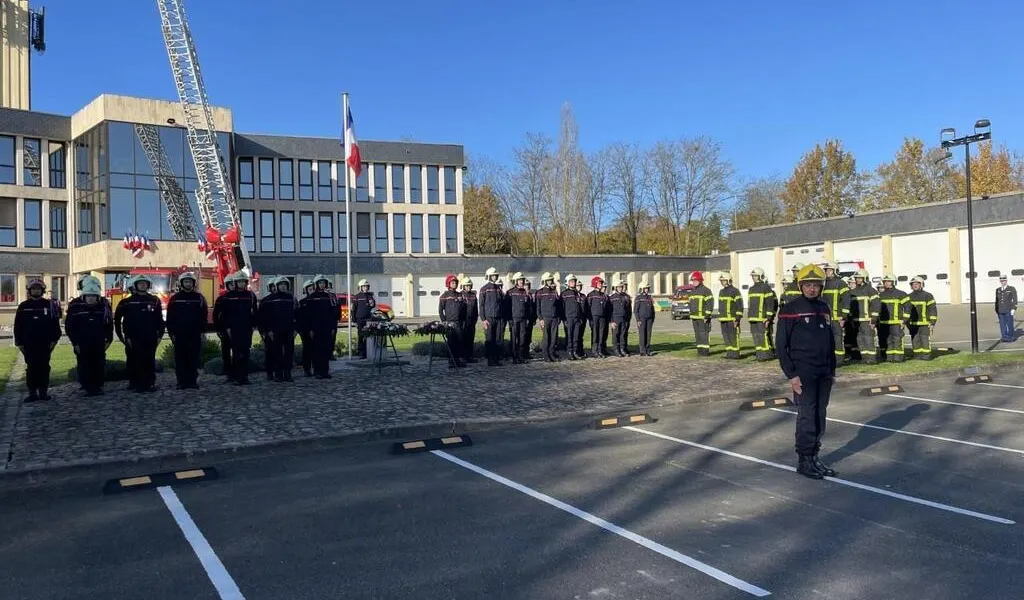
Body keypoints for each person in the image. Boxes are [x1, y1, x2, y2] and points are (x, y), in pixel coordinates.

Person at [776, 265, 837, 480]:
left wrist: (832, 370)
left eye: (816, 285)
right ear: (800, 286)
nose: (812, 289)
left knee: (820, 415)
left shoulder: (824, 307)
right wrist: (791, 375)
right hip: (803, 372)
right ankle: (804, 460)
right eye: (808, 285)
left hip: (824, 371)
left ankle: (815, 456)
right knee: (807, 417)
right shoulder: (790, 309)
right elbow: (781, 345)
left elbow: (829, 341)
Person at [13, 278, 63, 402]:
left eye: (38, 289)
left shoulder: (49, 305)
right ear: (30, 291)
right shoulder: (23, 306)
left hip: (45, 343)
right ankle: (32, 393)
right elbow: (17, 326)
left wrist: (54, 340)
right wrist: (19, 343)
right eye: (33, 289)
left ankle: (43, 392)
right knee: (31, 368)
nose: (36, 291)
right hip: (29, 343)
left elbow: (55, 324)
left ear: (42, 290)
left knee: (44, 367)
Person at [114, 274, 165, 393]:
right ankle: (135, 383)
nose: (143, 285)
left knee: (149, 361)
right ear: (135, 285)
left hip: (150, 336)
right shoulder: (126, 302)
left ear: (148, 285)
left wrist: (160, 335)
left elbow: (159, 319)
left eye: (145, 283)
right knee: (133, 361)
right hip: (133, 337)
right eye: (140, 283)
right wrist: (122, 336)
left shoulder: (154, 300)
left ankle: (150, 383)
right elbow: (117, 319)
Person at [64, 280, 113, 396]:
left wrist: (109, 340)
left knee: (99, 364)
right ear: (84, 296)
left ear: (97, 297)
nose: (91, 298)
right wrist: (75, 343)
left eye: (93, 296)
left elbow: (109, 325)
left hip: (99, 342)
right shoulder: (76, 308)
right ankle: (87, 387)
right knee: (84, 365)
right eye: (88, 296)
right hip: (82, 343)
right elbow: (69, 327)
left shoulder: (104, 308)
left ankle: (98, 387)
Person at [213, 271, 259, 384]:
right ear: (235, 282)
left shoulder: (250, 295)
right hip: (233, 329)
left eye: (243, 281)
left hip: (247, 328)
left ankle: (245, 376)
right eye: (239, 281)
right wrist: (226, 327)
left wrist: (253, 325)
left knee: (246, 352)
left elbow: (254, 312)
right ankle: (237, 377)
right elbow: (225, 314)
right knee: (236, 353)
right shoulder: (228, 297)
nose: (241, 284)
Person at [166, 272, 208, 389]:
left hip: (194, 334)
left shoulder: (199, 298)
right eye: (186, 281)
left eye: (190, 281)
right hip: (180, 334)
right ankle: (181, 382)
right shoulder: (175, 299)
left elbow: (204, 315)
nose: (188, 283)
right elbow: (170, 317)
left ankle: (192, 381)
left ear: (193, 283)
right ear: (181, 283)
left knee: (193, 358)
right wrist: (171, 333)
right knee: (180, 359)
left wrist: (202, 331)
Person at [258, 276, 297, 381]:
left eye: (285, 284)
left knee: (289, 352)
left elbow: (297, 315)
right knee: (277, 353)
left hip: (289, 330)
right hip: (275, 330)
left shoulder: (291, 298)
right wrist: (268, 330)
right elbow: (266, 317)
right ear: (276, 286)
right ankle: (278, 374)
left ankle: (288, 373)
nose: (283, 286)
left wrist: (295, 329)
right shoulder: (270, 300)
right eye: (281, 285)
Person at [300, 274, 338, 379]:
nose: (322, 285)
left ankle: (325, 371)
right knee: (317, 350)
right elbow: (308, 315)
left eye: (324, 283)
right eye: (320, 283)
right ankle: (317, 371)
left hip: (326, 327)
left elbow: (332, 313)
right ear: (316, 284)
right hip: (316, 328)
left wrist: (332, 327)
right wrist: (311, 329)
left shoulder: (329, 296)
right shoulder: (312, 297)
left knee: (326, 350)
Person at [821, 262, 852, 362]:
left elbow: (846, 300)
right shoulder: (823, 284)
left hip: (837, 318)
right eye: (826, 270)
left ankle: (839, 360)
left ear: (835, 271)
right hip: (825, 318)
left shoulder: (841, 283)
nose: (827, 272)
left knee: (837, 339)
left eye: (829, 270)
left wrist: (844, 316)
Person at [847, 269, 880, 363]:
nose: (857, 280)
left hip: (867, 320)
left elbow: (876, 305)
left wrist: (874, 319)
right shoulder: (853, 292)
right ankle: (864, 358)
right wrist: (850, 318)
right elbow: (850, 307)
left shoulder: (871, 290)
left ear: (865, 278)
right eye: (856, 278)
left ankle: (872, 359)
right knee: (860, 339)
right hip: (856, 320)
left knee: (868, 339)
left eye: (860, 278)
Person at [747, 267, 778, 361]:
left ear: (761, 276)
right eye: (752, 276)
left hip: (762, 318)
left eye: (755, 276)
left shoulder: (765, 287)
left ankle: (767, 355)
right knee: (756, 336)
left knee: (763, 336)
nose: (753, 277)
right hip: (753, 318)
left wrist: (768, 318)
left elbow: (770, 303)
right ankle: (759, 355)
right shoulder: (751, 289)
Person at [877, 274, 909, 362]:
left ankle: (898, 359)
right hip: (884, 323)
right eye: (885, 282)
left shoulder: (901, 294)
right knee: (888, 341)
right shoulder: (880, 295)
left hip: (897, 323)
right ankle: (890, 358)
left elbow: (907, 307)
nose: (886, 283)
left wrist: (904, 320)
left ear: (893, 282)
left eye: (889, 281)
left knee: (897, 340)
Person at [478, 267, 504, 366]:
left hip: (498, 317)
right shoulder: (484, 289)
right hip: (488, 318)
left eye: (495, 275)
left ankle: (496, 359)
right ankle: (490, 360)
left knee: (498, 339)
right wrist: (483, 319)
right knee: (489, 339)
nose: (494, 277)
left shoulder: (498, 289)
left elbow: (501, 303)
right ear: (488, 276)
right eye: (493, 275)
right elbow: (481, 305)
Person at [439, 273, 466, 368]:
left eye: (455, 283)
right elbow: (440, 310)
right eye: (453, 283)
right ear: (448, 284)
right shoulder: (444, 296)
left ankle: (458, 360)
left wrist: (463, 321)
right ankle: (451, 361)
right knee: (451, 342)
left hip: (458, 323)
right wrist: (444, 322)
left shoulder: (460, 295)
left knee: (459, 341)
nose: (454, 284)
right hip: (449, 323)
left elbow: (463, 309)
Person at [906, 276, 937, 359]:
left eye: (917, 284)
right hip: (913, 324)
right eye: (913, 284)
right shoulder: (908, 297)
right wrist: (906, 322)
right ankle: (917, 356)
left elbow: (932, 309)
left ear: (922, 285)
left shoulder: (928, 296)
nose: (915, 285)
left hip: (925, 324)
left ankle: (926, 356)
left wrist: (932, 322)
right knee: (915, 340)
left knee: (925, 340)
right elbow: (905, 311)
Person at [534, 272, 562, 362]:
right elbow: (537, 307)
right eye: (548, 280)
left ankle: (552, 353)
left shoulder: (554, 292)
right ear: (545, 281)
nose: (550, 282)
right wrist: (540, 319)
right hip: (545, 318)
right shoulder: (540, 292)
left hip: (554, 317)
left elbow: (558, 305)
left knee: (554, 338)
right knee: (546, 337)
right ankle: (546, 355)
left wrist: (558, 317)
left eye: (551, 280)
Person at [687, 271, 714, 356]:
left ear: (700, 280)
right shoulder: (692, 291)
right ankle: (700, 351)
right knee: (697, 335)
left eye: (695, 280)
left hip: (703, 317)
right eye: (693, 281)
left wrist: (707, 315)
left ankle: (705, 352)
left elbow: (710, 303)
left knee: (703, 334)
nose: (694, 282)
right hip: (694, 317)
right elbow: (690, 303)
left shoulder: (706, 291)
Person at [716, 272, 743, 359]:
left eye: (723, 280)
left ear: (728, 280)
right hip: (723, 319)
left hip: (732, 319)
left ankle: (735, 354)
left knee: (733, 336)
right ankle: (729, 353)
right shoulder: (721, 292)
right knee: (726, 336)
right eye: (721, 281)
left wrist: (737, 319)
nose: (722, 282)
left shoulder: (735, 291)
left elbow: (740, 306)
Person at [560, 274, 587, 360]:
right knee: (569, 337)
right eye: (571, 281)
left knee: (576, 337)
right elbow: (561, 308)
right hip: (569, 318)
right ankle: (569, 352)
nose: (573, 283)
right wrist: (564, 319)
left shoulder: (577, 294)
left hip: (577, 318)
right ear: (567, 283)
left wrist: (581, 318)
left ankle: (575, 352)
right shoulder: (564, 294)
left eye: (574, 281)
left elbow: (580, 307)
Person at [507, 273, 532, 363]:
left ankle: (521, 357)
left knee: (522, 338)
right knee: (514, 339)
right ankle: (514, 357)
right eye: (519, 280)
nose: (521, 281)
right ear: (516, 281)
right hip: (514, 319)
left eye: (522, 280)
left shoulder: (525, 292)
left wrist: (528, 318)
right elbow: (507, 307)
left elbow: (528, 307)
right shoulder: (510, 292)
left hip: (523, 319)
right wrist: (509, 319)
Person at [217, 275, 237, 380]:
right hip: (224, 329)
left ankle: (236, 371)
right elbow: (216, 315)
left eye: (234, 284)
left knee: (237, 351)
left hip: (237, 328)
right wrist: (219, 329)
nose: (233, 286)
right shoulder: (221, 299)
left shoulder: (240, 297)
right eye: (231, 284)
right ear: (226, 285)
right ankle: (228, 372)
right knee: (226, 352)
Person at [586, 276, 610, 358]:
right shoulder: (591, 295)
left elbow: (607, 308)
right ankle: (594, 350)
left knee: (601, 334)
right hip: (594, 317)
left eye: (602, 283)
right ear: (595, 284)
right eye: (600, 283)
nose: (601, 285)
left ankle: (600, 350)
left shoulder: (604, 296)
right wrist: (590, 318)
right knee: (595, 334)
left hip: (602, 318)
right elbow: (588, 308)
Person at [352, 279, 376, 359]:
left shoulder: (370, 296)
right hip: (360, 319)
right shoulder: (356, 297)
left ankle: (368, 352)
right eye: (363, 286)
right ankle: (361, 352)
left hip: (368, 319)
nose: (365, 288)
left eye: (366, 286)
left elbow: (373, 306)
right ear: (360, 287)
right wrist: (354, 320)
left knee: (368, 336)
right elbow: (353, 309)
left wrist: (372, 300)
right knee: (361, 336)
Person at [296, 279, 315, 376]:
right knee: (307, 350)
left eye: (312, 288)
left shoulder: (317, 301)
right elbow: (300, 318)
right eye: (309, 289)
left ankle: (317, 368)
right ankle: (307, 369)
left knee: (317, 349)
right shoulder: (302, 302)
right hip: (306, 330)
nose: (311, 290)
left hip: (317, 329)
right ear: (306, 290)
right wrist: (301, 330)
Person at [609, 279, 632, 357]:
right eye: (618, 287)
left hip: (624, 319)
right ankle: (616, 349)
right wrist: (611, 321)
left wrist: (627, 319)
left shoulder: (625, 297)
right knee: (616, 335)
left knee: (622, 335)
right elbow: (609, 310)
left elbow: (627, 309)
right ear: (615, 288)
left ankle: (622, 349)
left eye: (621, 287)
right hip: (615, 319)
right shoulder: (612, 298)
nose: (620, 288)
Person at [633, 279, 655, 356]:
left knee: (648, 334)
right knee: (642, 334)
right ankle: (642, 350)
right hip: (642, 319)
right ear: (642, 289)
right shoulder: (638, 298)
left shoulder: (649, 297)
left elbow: (652, 309)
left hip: (649, 318)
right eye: (645, 288)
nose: (647, 290)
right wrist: (638, 320)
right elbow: (635, 310)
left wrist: (653, 318)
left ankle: (648, 349)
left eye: (647, 288)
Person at [460, 276, 479, 362]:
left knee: (471, 339)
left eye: (469, 285)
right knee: (463, 339)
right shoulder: (460, 295)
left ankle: (470, 356)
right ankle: (463, 356)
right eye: (466, 286)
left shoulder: (473, 295)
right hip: (463, 321)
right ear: (463, 286)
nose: (468, 287)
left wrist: (475, 320)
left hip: (472, 321)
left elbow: (475, 309)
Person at [996, 275, 1018, 343]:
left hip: (1008, 309)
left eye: (1004, 280)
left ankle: (1011, 337)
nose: (1002, 282)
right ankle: (1004, 337)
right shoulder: (998, 290)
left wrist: (1014, 308)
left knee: (1009, 324)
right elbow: (997, 301)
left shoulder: (1011, 289)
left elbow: (1015, 299)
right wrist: (996, 309)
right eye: (1001, 281)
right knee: (1002, 325)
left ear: (1006, 281)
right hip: (1000, 310)